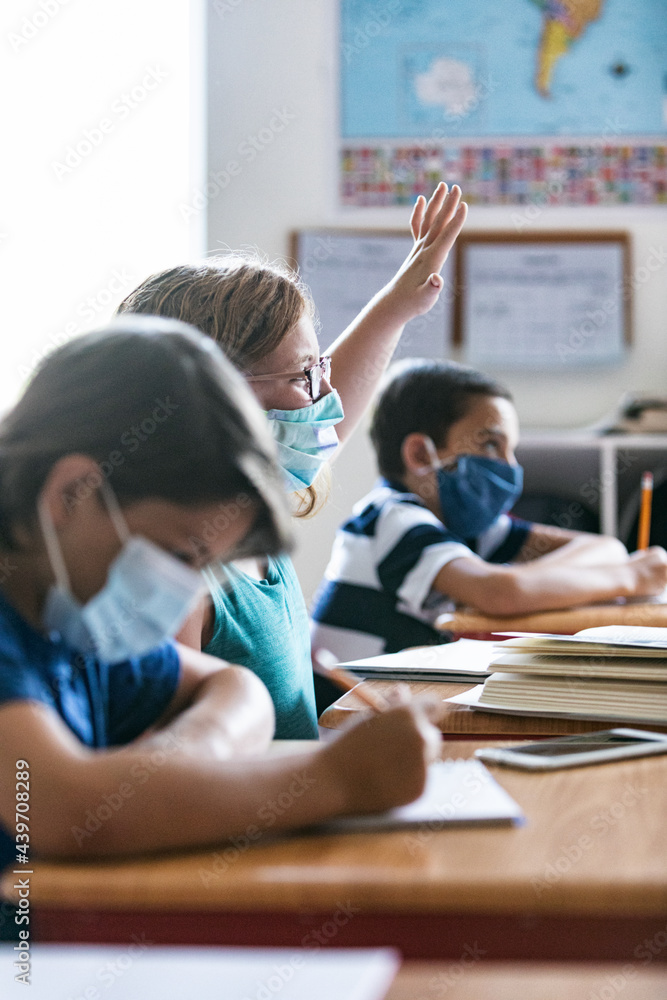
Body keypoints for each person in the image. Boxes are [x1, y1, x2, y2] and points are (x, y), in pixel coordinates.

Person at [0, 320, 441, 924]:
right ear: (73, 492)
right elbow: (68, 811)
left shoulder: (67, 614)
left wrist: (188, 752)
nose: (183, 590)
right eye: (179, 555)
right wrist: (340, 777)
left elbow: (235, 687)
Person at [117, 182, 468, 734]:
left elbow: (332, 403)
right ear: (218, 395)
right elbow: (172, 777)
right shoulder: (181, 577)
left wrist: (396, 304)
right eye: (306, 375)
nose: (324, 399)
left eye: (321, 370)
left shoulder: (246, 515)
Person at [310, 360, 667, 660]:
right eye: (491, 444)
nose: (510, 467)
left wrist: (527, 583)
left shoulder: (471, 528)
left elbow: (606, 548)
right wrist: (630, 577)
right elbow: (499, 594)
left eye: (511, 449)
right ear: (421, 454)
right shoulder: (391, 518)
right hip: (346, 723)